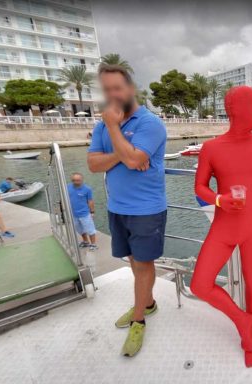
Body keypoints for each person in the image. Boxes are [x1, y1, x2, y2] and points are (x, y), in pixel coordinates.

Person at [190, 86, 252, 368]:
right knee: (200, 285)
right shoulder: (212, 148)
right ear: (235, 110)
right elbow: (199, 187)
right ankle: (243, 321)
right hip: (224, 227)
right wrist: (219, 199)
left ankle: (250, 338)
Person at [86, 64, 167, 357]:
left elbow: (134, 161)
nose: (112, 94)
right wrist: (125, 153)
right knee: (133, 260)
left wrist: (113, 129)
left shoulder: (150, 123)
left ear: (131, 89)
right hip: (117, 207)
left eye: (117, 88)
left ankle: (139, 318)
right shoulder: (101, 126)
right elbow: (93, 164)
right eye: (106, 89)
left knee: (143, 264)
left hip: (146, 209)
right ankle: (148, 302)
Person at [67, 172, 97, 251]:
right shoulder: (68, 187)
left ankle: (93, 244)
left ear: (82, 180)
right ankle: (86, 241)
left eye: (78, 180)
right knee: (80, 229)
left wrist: (92, 212)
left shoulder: (87, 189)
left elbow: (90, 201)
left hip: (85, 214)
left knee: (90, 229)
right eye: (74, 180)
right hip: (73, 214)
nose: (75, 182)